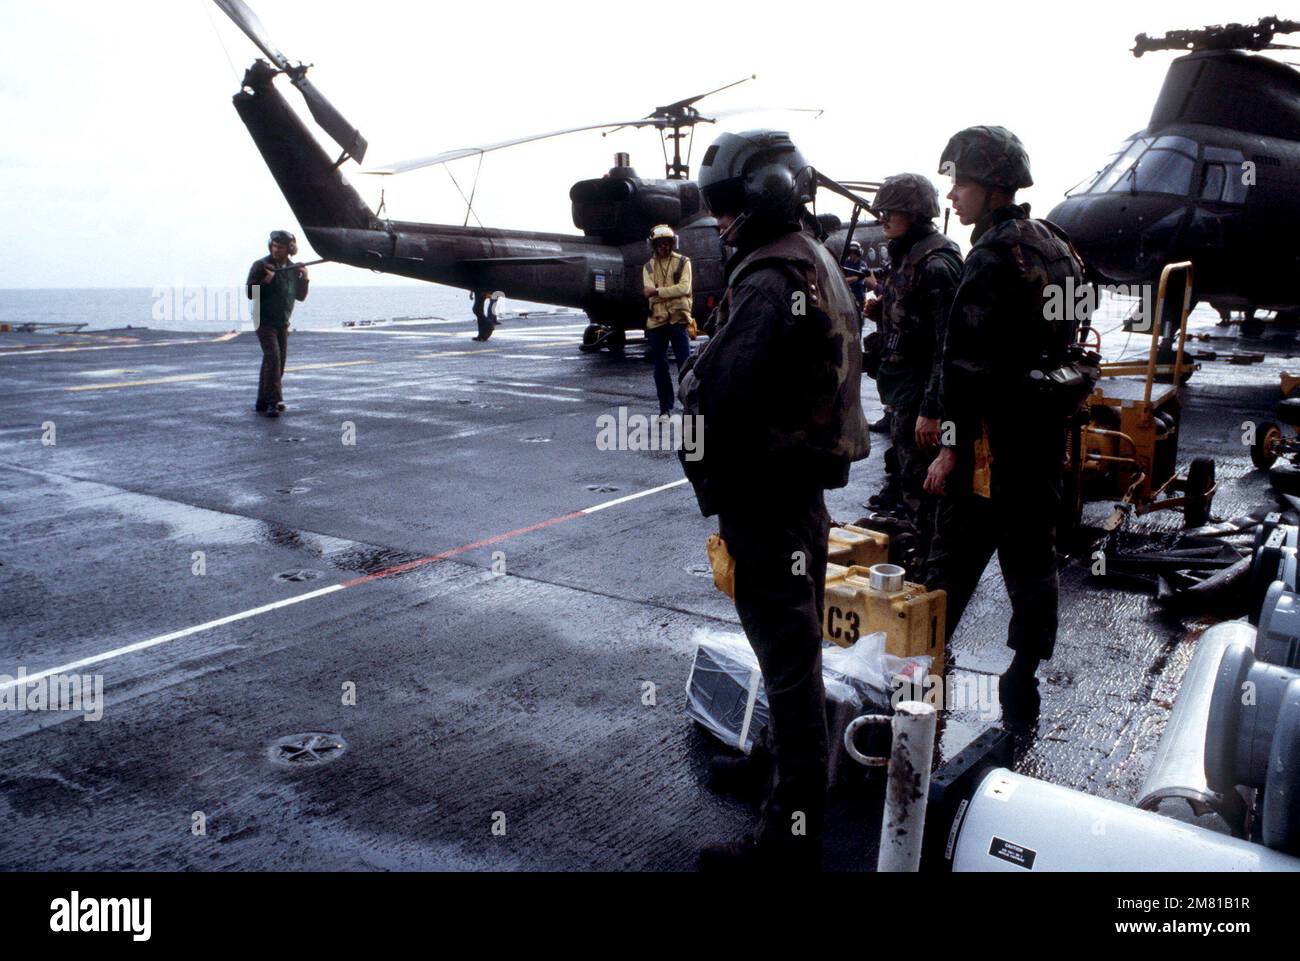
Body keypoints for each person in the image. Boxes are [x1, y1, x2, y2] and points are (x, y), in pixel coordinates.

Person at [679, 130, 869, 869]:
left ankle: (790, 837)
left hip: (766, 494)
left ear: (760, 201)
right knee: (790, 656)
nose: (720, 223)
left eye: (728, 208)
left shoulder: (767, 278)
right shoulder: (812, 256)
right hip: (797, 491)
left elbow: (714, 390)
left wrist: (706, 469)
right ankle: (782, 780)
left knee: (790, 667)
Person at [922, 126, 1092, 726]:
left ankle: (924, 687)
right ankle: (1022, 680)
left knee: (946, 571)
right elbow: (1074, 332)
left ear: (993, 188)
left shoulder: (991, 258)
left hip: (989, 451)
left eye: (961, 182)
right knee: (1031, 564)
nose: (953, 194)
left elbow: (963, 367)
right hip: (1042, 443)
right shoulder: (1058, 246)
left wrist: (948, 449)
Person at [860, 173, 962, 574]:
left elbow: (948, 347)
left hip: (924, 399)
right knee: (911, 484)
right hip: (905, 395)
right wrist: (881, 311)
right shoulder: (908, 256)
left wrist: (933, 409)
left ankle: (934, 573)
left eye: (893, 210)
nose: (883, 217)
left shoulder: (938, 265)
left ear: (916, 213)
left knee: (929, 491)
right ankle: (923, 556)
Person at [245, 229, 308, 417]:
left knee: (277, 364)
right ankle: (274, 402)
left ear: (290, 249)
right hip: (263, 320)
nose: (275, 250)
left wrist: (304, 277)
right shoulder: (261, 265)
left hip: (283, 322)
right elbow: (250, 293)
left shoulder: (291, 268)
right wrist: (267, 280)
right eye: (273, 246)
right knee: (273, 358)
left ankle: (262, 402)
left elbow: (301, 296)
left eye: (280, 247)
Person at [642, 225, 694, 416]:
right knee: (659, 366)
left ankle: (690, 406)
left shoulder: (683, 262)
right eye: (660, 244)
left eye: (667, 243)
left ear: (673, 244)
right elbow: (648, 292)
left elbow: (684, 288)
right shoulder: (648, 267)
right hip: (657, 321)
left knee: (685, 366)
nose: (664, 247)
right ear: (654, 245)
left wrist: (658, 291)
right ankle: (665, 408)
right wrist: (664, 293)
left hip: (678, 319)